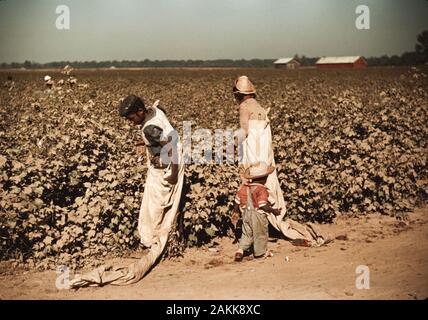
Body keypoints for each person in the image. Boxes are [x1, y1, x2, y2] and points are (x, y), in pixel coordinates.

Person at [232, 162, 281, 261]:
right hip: (258, 216)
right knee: (260, 234)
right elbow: (263, 206)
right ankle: (260, 253)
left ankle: (240, 251)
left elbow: (237, 201)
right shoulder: (261, 189)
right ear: (263, 178)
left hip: (246, 214)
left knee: (246, 233)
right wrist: (274, 211)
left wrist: (235, 211)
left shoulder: (244, 187)